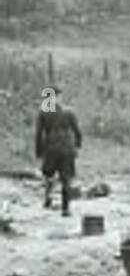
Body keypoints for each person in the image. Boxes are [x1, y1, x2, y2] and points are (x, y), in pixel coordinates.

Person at [34, 86, 82, 217]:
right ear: (59, 97)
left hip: (51, 148)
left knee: (48, 175)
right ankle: (65, 209)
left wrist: (38, 151)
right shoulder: (69, 112)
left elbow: (39, 134)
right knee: (66, 178)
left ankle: (48, 198)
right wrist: (77, 146)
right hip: (67, 148)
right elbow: (77, 132)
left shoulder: (43, 113)